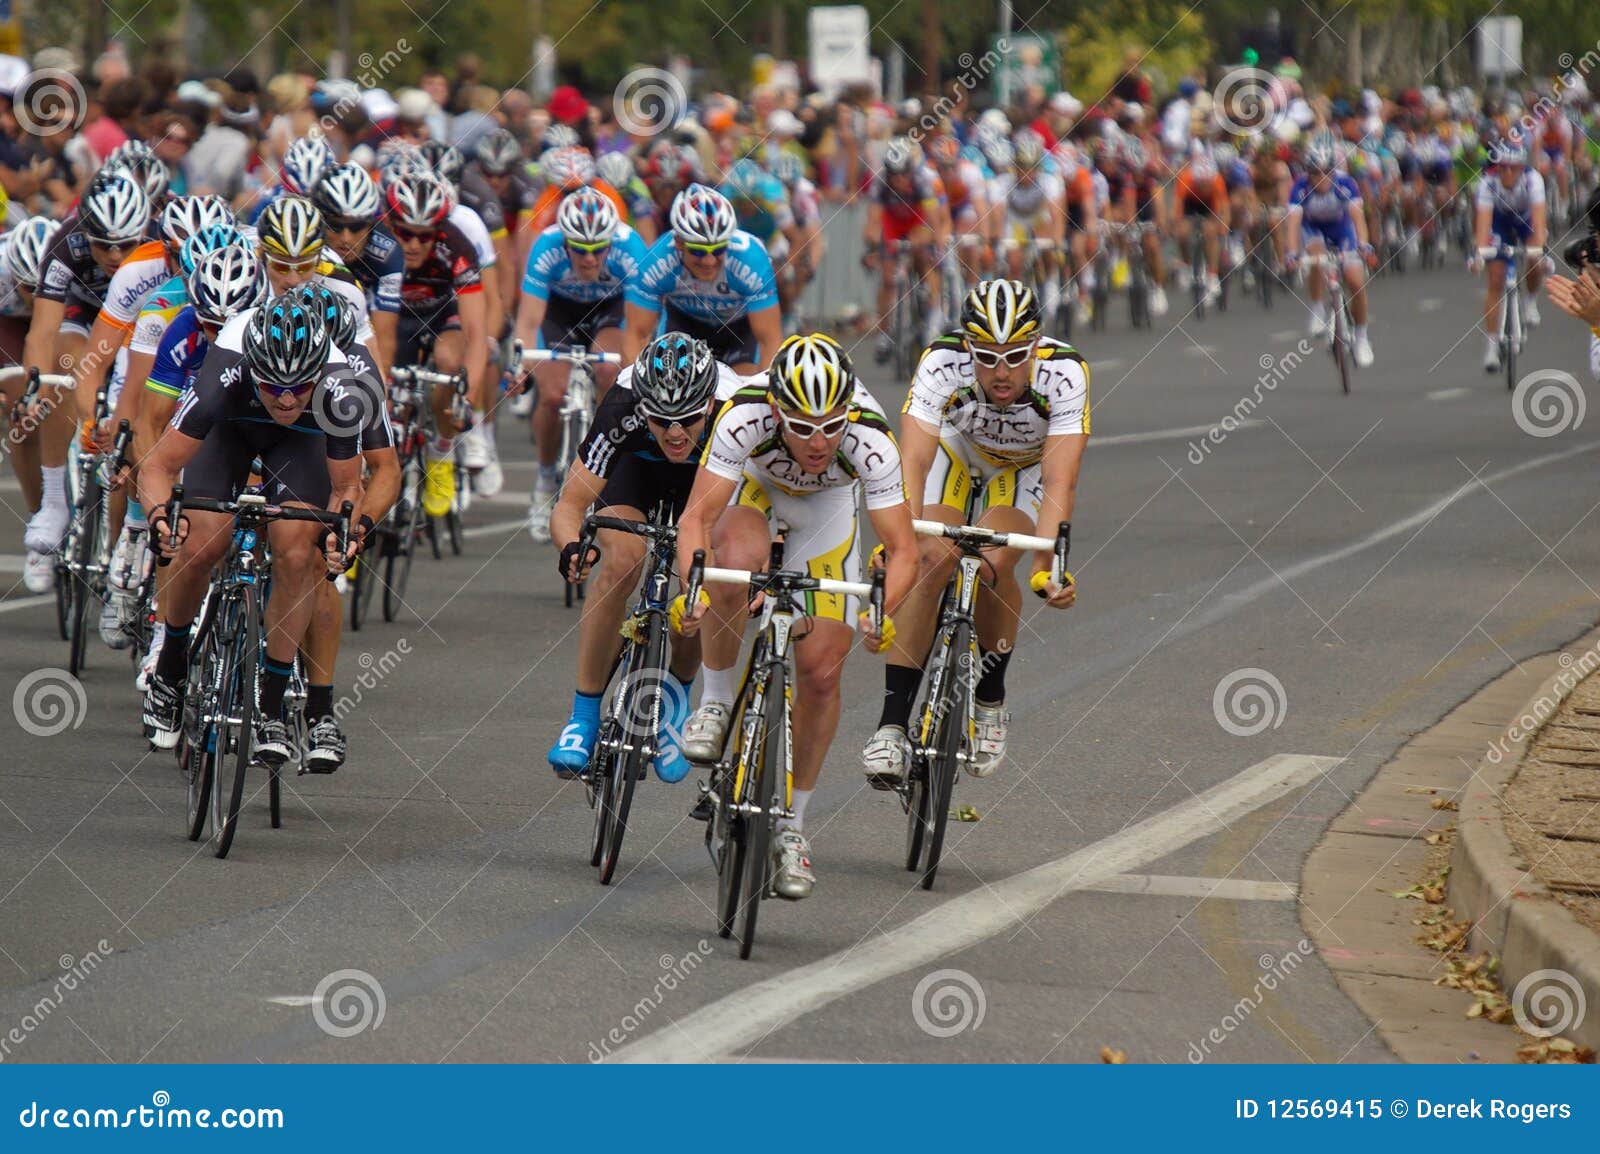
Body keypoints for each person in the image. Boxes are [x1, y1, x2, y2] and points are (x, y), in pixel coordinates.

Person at [673, 334, 915, 900]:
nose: (819, 441)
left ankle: (791, 827)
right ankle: (715, 702)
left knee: (822, 672)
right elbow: (696, 521)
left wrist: (882, 612)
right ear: (776, 409)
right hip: (756, 489)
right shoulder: (744, 414)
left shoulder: (871, 438)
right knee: (732, 562)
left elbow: (904, 550)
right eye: (802, 427)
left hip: (827, 511)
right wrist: (694, 592)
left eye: (831, 426)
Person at [862, 280, 1084, 785]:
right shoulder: (940, 361)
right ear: (967, 347)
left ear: (1035, 347)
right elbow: (914, 461)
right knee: (930, 559)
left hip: (1025, 467)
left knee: (991, 561)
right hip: (957, 450)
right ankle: (892, 727)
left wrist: (1047, 567)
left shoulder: (1066, 373)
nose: (1001, 373)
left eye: (1015, 357)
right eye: (986, 357)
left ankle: (989, 697)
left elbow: (1059, 480)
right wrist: (900, 543)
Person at [138, 294, 367, 762]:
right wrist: (160, 517)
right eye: (272, 386)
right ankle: (171, 668)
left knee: (298, 553)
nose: (286, 398)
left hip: (302, 439)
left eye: (299, 387)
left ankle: (271, 708)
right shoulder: (224, 370)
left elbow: (347, 489)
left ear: (318, 375)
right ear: (252, 370)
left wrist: (339, 536)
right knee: (201, 544)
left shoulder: (340, 387)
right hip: (229, 429)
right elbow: (157, 466)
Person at [544, 332, 742, 779]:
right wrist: (572, 547)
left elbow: (745, 515)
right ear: (643, 407)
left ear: (709, 405)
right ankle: (583, 716)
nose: (675, 432)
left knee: (700, 580)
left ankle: (677, 699)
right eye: (661, 419)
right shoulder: (621, 406)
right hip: (636, 470)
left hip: (706, 478)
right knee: (622, 562)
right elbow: (570, 505)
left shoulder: (734, 413)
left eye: (687, 419)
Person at [515, 187, 646, 540]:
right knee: (552, 395)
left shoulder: (631, 247)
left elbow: (642, 322)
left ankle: (605, 458)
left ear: (611, 242)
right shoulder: (546, 245)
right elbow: (529, 320)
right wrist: (522, 367)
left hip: (610, 313)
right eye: (579, 249)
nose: (589, 258)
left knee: (610, 370)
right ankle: (545, 478)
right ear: (565, 242)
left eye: (598, 249)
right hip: (559, 315)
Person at [623, 183, 782, 375]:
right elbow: (636, 334)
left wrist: (763, 390)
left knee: (742, 387)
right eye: (698, 251)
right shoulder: (659, 260)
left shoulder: (750, 259)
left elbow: (769, 340)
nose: (709, 260)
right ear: (679, 243)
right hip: (684, 325)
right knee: (669, 383)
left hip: (738, 331)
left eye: (718, 249)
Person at [1284, 139, 1376, 368]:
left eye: (1327, 172)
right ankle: (1317, 307)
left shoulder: (1346, 184)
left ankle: (1362, 337)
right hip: (1313, 229)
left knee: (1356, 282)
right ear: (1308, 172)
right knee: (1316, 256)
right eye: (1315, 173)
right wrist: (1292, 253)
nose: (1321, 178)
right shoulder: (1300, 187)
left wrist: (1364, 245)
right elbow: (1293, 223)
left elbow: (1357, 218)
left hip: (1341, 229)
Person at [1471, 142, 1547, 372]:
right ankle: (1492, 344)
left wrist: (1539, 252)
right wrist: (1479, 255)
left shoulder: (1533, 180)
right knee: (1495, 276)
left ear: (1522, 168)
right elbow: (1483, 226)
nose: (1506, 172)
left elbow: (1539, 224)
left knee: (1534, 257)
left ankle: (1530, 301)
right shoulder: (1487, 183)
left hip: (1525, 221)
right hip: (1499, 223)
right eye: (1502, 167)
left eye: (1512, 168)